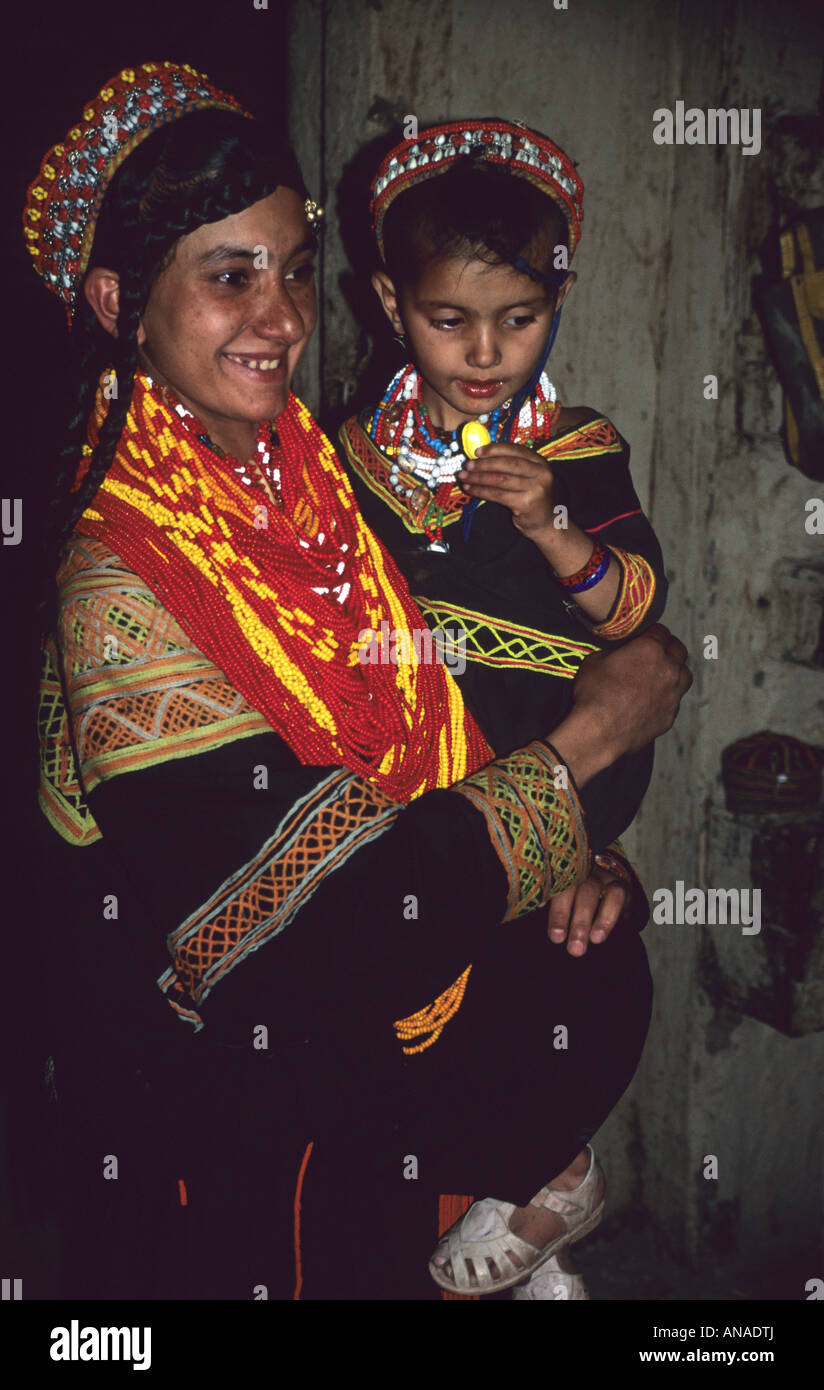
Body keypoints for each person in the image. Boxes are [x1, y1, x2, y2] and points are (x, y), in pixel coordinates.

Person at [29, 64, 691, 1301]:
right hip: (232, 1130)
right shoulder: (119, 585)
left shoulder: (308, 481)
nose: (279, 315)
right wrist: (583, 751)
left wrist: (570, 851)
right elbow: (317, 930)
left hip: (368, 1083)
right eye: (229, 275)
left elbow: (436, 717)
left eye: (289, 270)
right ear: (120, 300)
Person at [339, 119, 669, 1293]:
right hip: (405, 803)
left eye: (518, 319)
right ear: (388, 301)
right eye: (448, 319)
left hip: (550, 789)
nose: (485, 352)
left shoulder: (577, 450)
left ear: (556, 302)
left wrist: (547, 524)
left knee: (568, 958)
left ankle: (537, 1183)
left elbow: (635, 611)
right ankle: (531, 1194)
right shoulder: (339, 462)